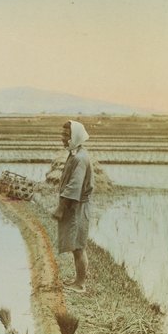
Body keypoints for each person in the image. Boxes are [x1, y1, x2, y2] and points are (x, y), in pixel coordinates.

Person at [51, 120, 93, 293]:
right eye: (62, 134)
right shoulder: (75, 154)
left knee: (78, 247)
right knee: (76, 246)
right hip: (74, 206)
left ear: (75, 136)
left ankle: (80, 284)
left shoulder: (80, 158)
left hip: (77, 207)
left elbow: (74, 187)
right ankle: (77, 280)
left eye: (66, 135)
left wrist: (61, 208)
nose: (62, 138)